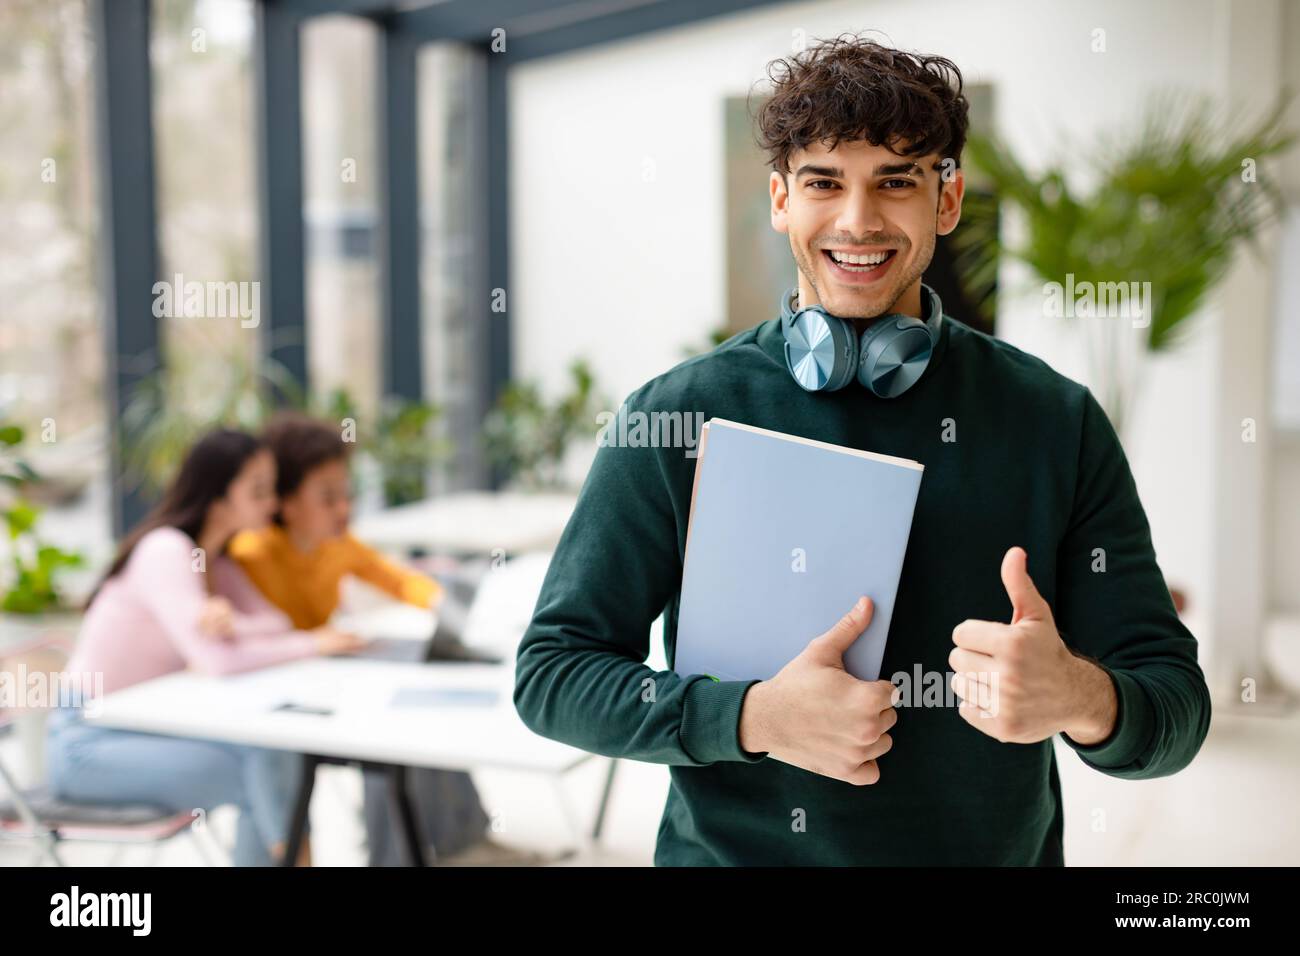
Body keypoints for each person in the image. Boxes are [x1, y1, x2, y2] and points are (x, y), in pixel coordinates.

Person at [513, 34, 1212, 865]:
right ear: (780, 199)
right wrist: (752, 716)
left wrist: (1083, 698)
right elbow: (552, 676)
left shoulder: (1055, 421)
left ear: (945, 202)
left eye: (896, 181)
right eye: (823, 183)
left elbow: (1176, 708)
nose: (858, 220)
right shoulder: (677, 415)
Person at [46, 429, 363, 866]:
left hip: (147, 730)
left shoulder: (216, 562)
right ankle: (298, 860)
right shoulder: (166, 551)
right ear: (217, 496)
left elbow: (277, 623)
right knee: (262, 770)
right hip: (89, 744)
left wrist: (234, 622)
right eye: (257, 491)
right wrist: (311, 643)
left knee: (274, 752)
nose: (271, 504)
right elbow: (217, 661)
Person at [228, 412, 501, 865]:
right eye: (328, 497)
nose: (344, 509)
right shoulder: (249, 554)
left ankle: (459, 842)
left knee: (421, 710)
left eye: (347, 494)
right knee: (385, 737)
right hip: (270, 699)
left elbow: (397, 579)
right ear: (284, 501)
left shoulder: (338, 545)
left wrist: (444, 605)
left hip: (319, 677)